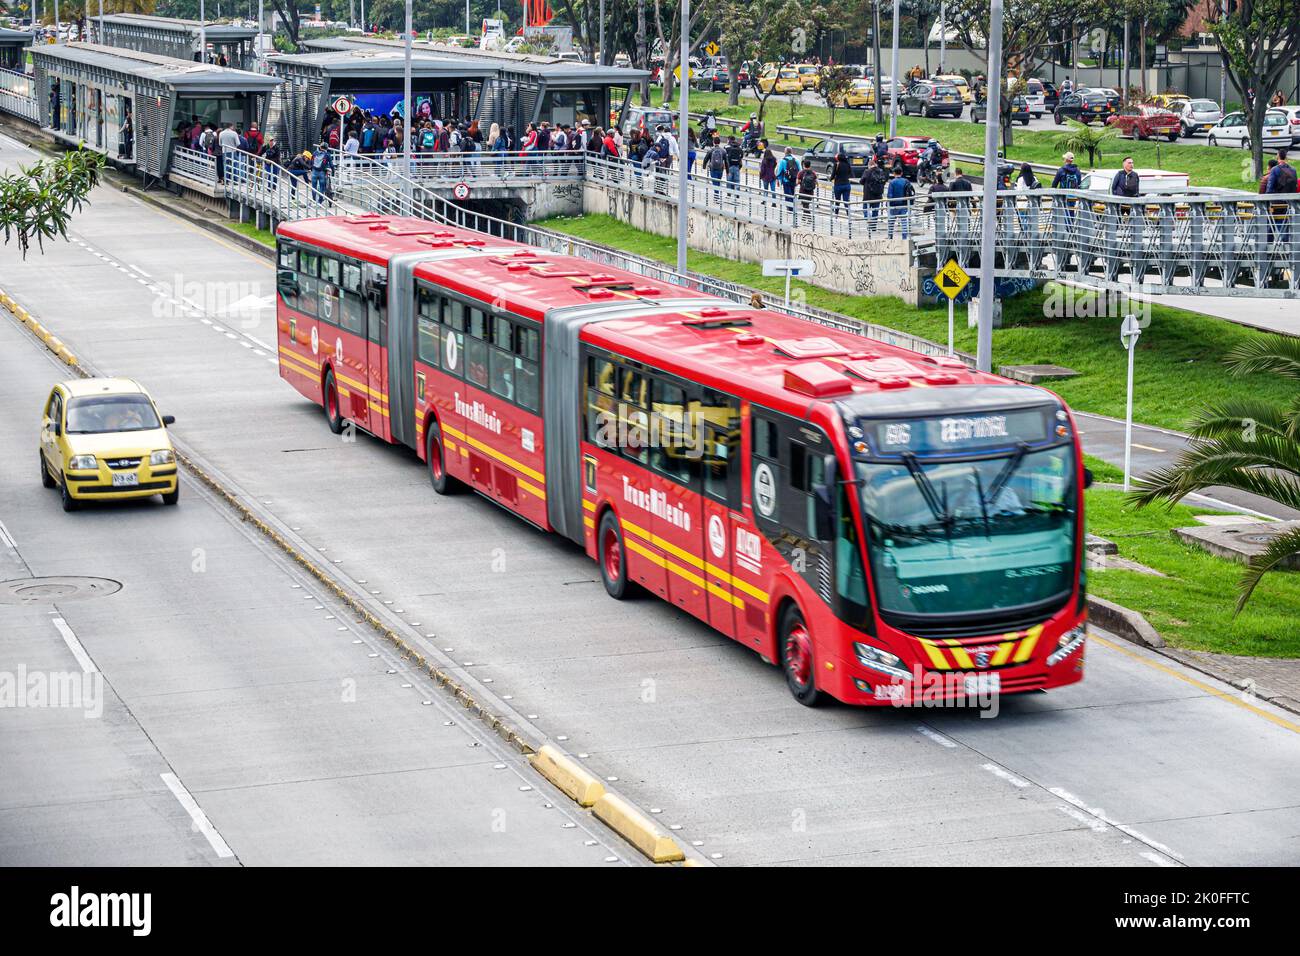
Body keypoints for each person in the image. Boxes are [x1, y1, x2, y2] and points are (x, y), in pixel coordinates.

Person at [885, 166, 915, 239]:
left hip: (893, 205)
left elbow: (890, 195)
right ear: (901, 173)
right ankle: (904, 237)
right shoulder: (906, 181)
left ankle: (890, 235)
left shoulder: (892, 182)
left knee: (891, 221)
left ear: (894, 173)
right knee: (904, 221)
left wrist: (887, 204)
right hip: (904, 204)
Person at [861, 156, 888, 229]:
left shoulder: (867, 171)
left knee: (865, 209)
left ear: (869, 165)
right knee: (875, 211)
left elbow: (861, 181)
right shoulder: (881, 171)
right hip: (878, 195)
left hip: (868, 195)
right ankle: (873, 226)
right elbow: (884, 181)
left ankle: (869, 222)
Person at [796, 157, 819, 226]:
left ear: (803, 165)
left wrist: (800, 182)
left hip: (803, 191)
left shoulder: (800, 173)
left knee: (805, 205)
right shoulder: (813, 173)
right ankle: (804, 217)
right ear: (810, 165)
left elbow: (797, 182)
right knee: (806, 205)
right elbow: (816, 183)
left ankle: (809, 218)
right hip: (810, 192)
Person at [777, 146, 799, 212]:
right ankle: (793, 206)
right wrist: (798, 180)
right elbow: (800, 170)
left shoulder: (783, 160)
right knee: (792, 193)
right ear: (791, 152)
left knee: (787, 194)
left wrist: (779, 180)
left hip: (786, 180)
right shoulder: (796, 160)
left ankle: (790, 208)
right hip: (794, 179)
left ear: (785, 152)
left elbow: (780, 171)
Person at [831, 147, 853, 215]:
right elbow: (851, 174)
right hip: (847, 184)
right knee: (846, 201)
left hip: (838, 185)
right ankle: (848, 214)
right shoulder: (848, 164)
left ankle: (836, 214)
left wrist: (830, 179)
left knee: (837, 200)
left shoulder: (836, 164)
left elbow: (833, 175)